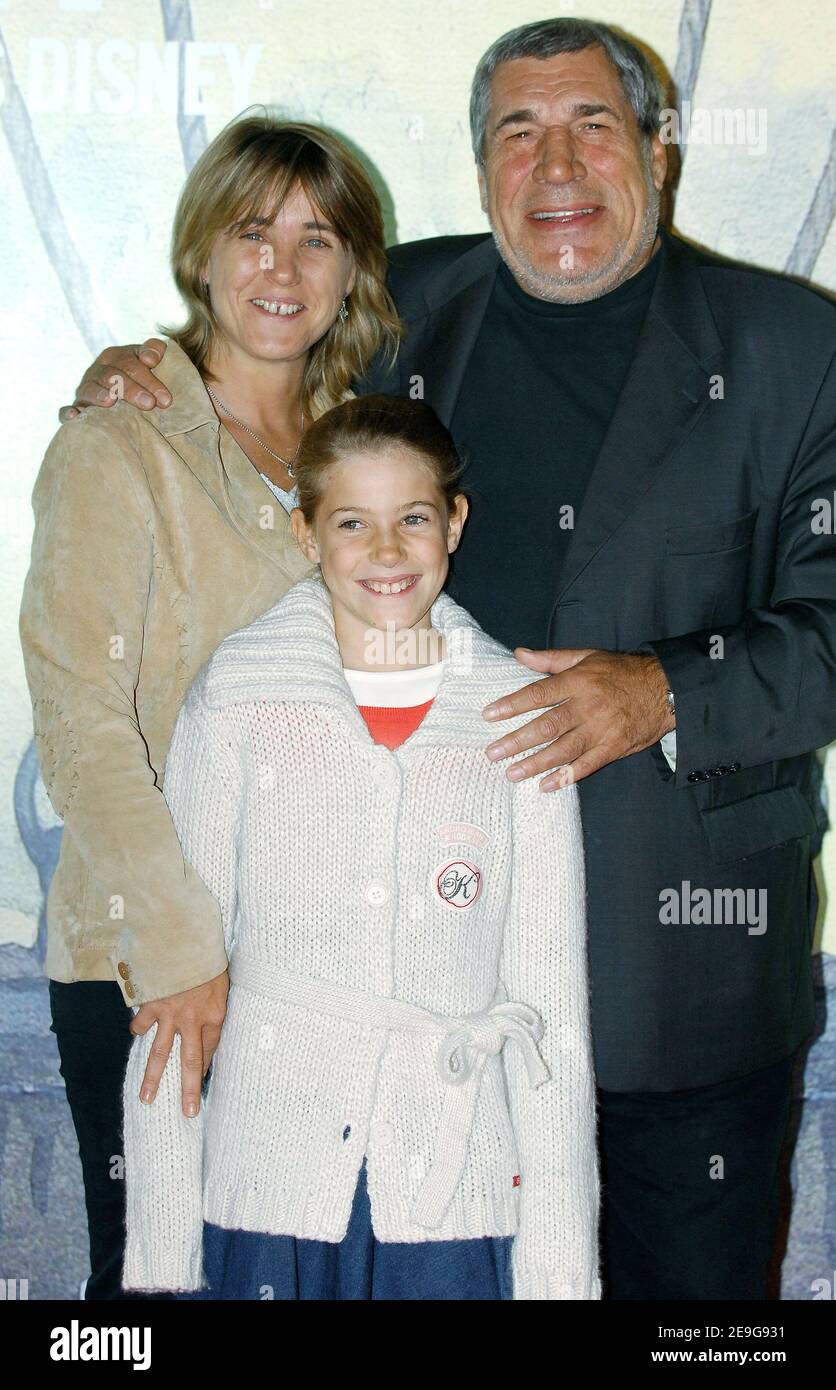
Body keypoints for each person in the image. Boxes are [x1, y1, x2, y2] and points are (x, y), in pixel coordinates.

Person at [58, 17, 836, 1300]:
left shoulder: (793, 350)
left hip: (677, 988)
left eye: (592, 124)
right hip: (407, 1013)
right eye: (515, 134)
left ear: (660, 146)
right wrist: (136, 371)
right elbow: (243, 362)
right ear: (480, 168)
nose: (556, 166)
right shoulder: (401, 310)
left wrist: (660, 692)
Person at [19, 112, 400, 1299]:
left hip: (334, 962)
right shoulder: (121, 442)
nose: (281, 270)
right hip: (158, 964)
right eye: (252, 232)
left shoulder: (359, 454)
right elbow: (81, 722)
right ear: (201, 249)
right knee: (158, 1287)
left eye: (317, 240)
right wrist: (182, 956)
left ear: (352, 275)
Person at [120, 393, 600, 1301]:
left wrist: (560, 1265)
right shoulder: (237, 698)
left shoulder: (518, 716)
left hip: (454, 1197)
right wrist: (162, 1242)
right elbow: (174, 985)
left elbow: (551, 1010)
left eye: (412, 518)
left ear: (454, 523)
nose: (386, 552)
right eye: (352, 522)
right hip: (265, 1184)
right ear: (306, 534)